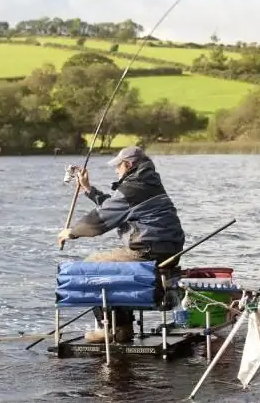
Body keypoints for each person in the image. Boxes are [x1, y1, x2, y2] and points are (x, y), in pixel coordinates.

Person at [57, 145, 185, 343]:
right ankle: (122, 329)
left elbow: (101, 220)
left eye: (118, 166)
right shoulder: (148, 183)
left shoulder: (133, 188)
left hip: (147, 251)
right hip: (166, 250)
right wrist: (88, 189)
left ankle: (109, 329)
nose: (116, 170)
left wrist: (71, 233)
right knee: (112, 265)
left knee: (92, 267)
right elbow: (116, 207)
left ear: (128, 164)